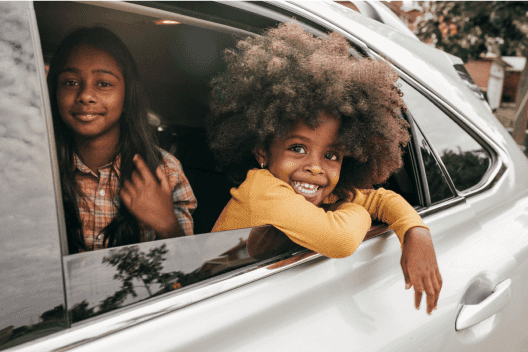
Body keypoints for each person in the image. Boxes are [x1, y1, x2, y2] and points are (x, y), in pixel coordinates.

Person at [207, 23, 441, 314]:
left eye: (332, 154)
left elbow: (381, 199)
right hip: (210, 308)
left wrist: (415, 231)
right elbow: (339, 240)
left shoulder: (319, 191)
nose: (316, 168)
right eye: (297, 148)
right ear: (262, 153)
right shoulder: (262, 189)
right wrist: (353, 208)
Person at [47, 27, 197, 254]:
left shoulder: (165, 171)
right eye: (70, 82)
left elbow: (187, 270)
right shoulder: (36, 166)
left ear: (127, 97)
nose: (86, 95)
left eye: (104, 84)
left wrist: (166, 223)